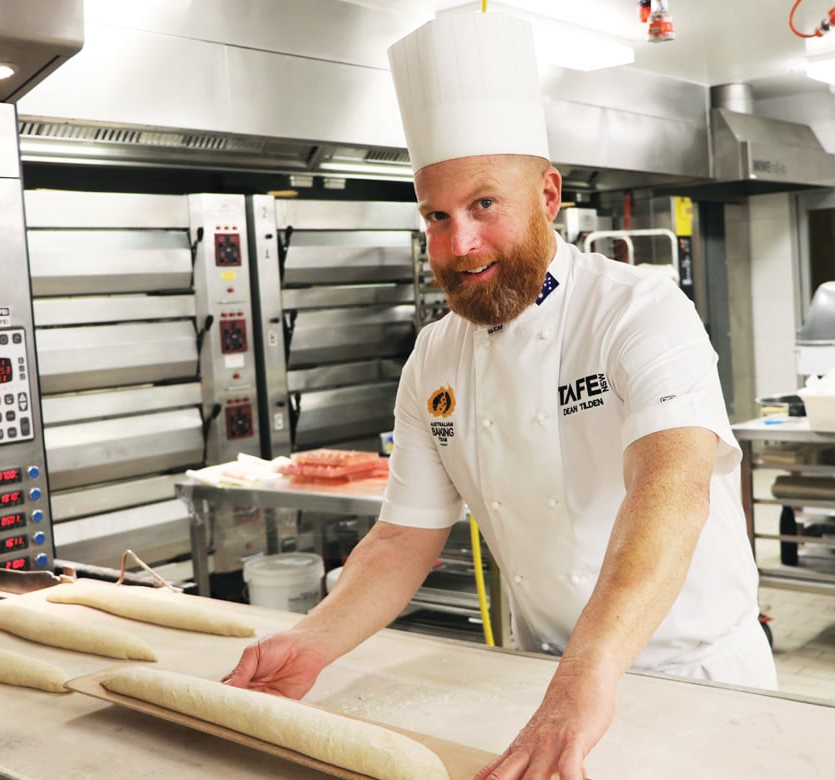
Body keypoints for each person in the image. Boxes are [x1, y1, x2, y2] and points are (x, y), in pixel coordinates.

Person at [223, 10, 776, 779]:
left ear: (548, 193)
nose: (459, 246)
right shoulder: (434, 358)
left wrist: (584, 681)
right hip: (540, 678)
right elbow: (402, 540)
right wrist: (309, 642)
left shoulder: (640, 311)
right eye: (437, 217)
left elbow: (671, 492)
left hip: (695, 680)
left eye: (485, 204)